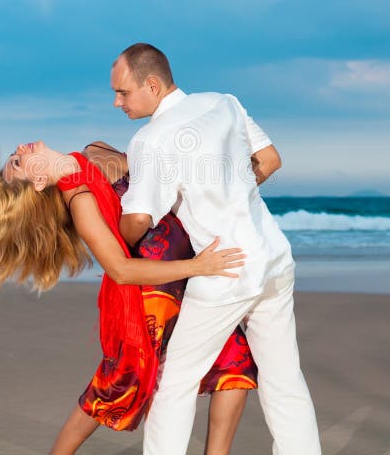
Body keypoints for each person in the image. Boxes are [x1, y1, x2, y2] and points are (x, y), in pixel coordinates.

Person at [0, 139, 259, 454]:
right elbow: (121, 270)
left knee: (234, 364)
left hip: (190, 272)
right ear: (40, 181)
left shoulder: (95, 149)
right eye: (17, 162)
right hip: (156, 291)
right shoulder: (81, 201)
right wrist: (197, 266)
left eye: (13, 156)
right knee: (118, 383)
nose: (18, 149)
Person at [111, 43, 322, 454]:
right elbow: (270, 159)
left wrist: (113, 237)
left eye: (123, 92)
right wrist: (229, 195)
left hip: (225, 270)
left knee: (175, 383)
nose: (116, 102)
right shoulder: (224, 102)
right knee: (284, 378)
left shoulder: (151, 139)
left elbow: (137, 221)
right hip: (274, 255)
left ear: (152, 85)